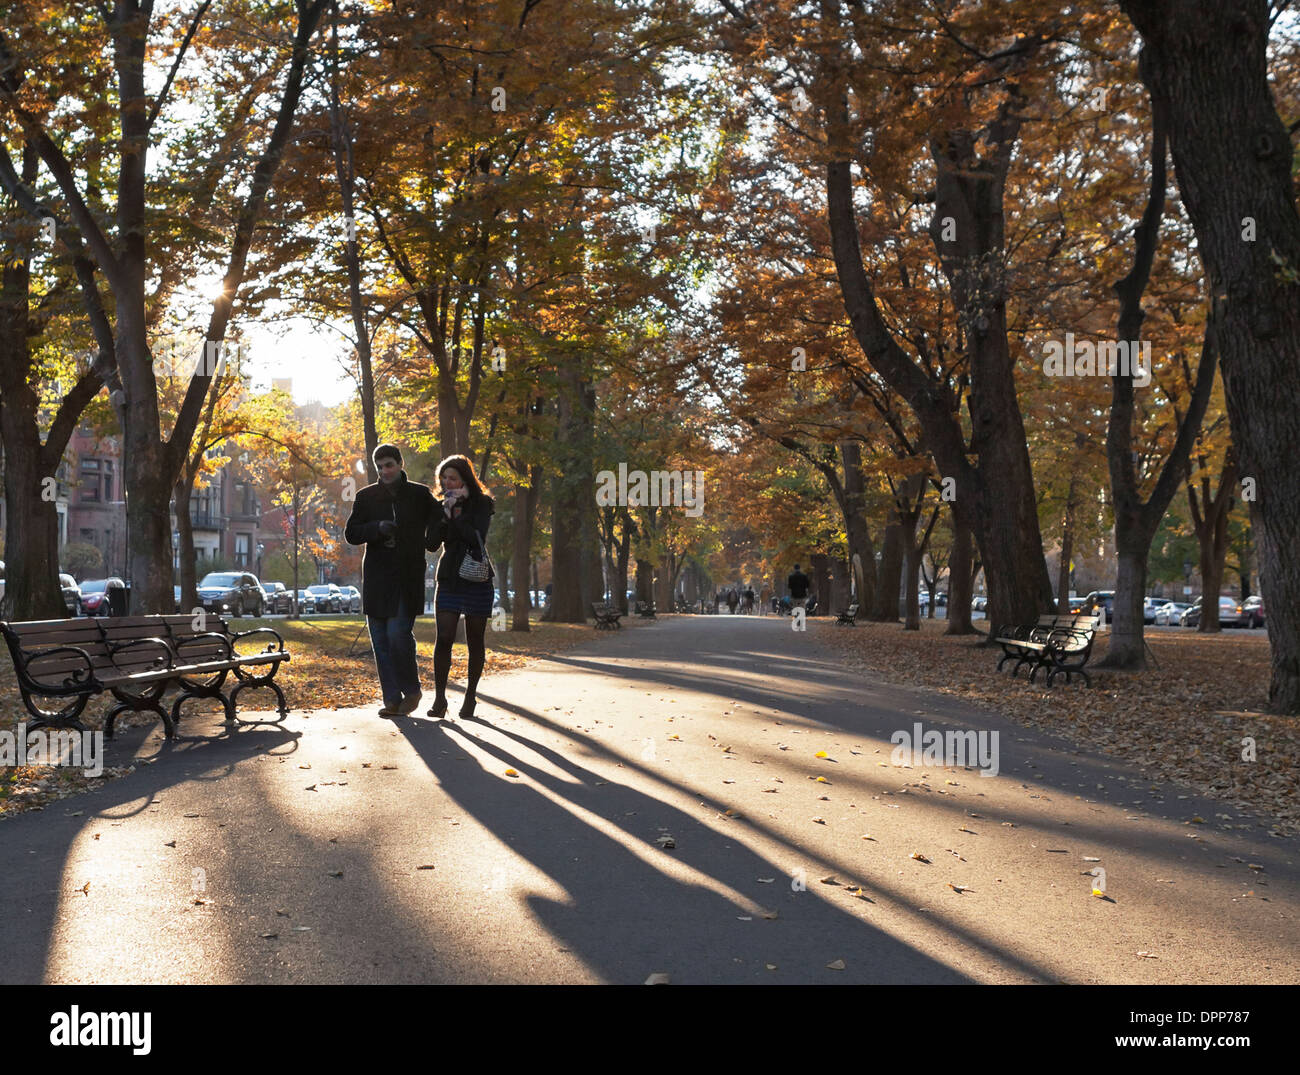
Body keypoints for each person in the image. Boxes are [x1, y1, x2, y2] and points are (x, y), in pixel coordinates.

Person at [344, 443, 436, 718]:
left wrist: (426, 540)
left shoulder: (419, 494)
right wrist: (377, 529)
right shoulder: (366, 497)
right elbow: (351, 533)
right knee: (380, 640)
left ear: (400, 463)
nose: (385, 471)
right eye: (380, 467)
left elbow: (439, 518)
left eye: (389, 465)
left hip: (407, 577)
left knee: (398, 635)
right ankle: (392, 700)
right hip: (377, 578)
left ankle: (412, 691)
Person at [425, 454, 495, 720]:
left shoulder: (482, 503)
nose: (447, 482)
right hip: (450, 577)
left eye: (452, 477)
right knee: (444, 637)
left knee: (475, 639)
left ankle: (470, 696)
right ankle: (440, 699)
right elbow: (431, 543)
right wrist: (444, 515)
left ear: (464, 478)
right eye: (443, 478)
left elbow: (475, 537)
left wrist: (456, 515)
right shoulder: (440, 505)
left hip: (476, 578)